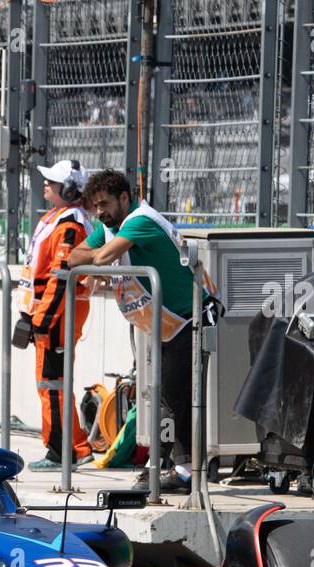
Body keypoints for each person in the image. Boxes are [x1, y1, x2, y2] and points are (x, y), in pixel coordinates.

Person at [65, 169, 206, 493]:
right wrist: (94, 254)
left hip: (192, 318)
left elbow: (101, 256)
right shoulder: (111, 227)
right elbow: (74, 257)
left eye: (105, 204)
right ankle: (182, 470)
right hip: (167, 326)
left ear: (125, 199)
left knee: (171, 397)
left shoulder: (140, 221)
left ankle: (162, 471)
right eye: (95, 206)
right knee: (173, 395)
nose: (100, 212)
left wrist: (98, 255)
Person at [12, 159, 93, 471]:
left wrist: (41, 321)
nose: (45, 184)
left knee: (52, 384)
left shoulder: (69, 226)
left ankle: (62, 452)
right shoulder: (56, 219)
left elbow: (60, 280)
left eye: (53, 181)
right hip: (50, 314)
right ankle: (76, 446)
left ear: (70, 189)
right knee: (52, 383)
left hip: (57, 316)